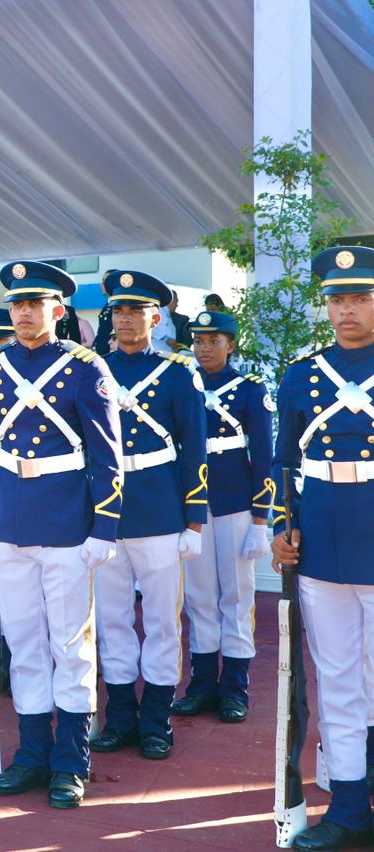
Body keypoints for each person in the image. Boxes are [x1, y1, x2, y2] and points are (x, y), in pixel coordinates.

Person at [0, 261, 122, 809]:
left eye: (36, 304)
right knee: (24, 642)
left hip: (66, 523)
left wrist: (104, 525)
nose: (25, 313)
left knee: (70, 646)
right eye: (17, 305)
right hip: (9, 521)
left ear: (58, 310)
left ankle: (70, 762)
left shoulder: (85, 367)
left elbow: (107, 453)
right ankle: (32, 756)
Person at [270, 246, 374, 850]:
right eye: (337, 299)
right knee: (336, 679)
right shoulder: (301, 374)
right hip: (323, 545)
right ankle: (350, 810)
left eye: (359, 297)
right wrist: (283, 528)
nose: (346, 311)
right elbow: (285, 464)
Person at [92, 271, 207, 762]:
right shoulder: (91, 369)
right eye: (118, 311)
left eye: (135, 311)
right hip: (105, 514)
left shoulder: (179, 373)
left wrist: (194, 516)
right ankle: (119, 716)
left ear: (155, 318)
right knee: (112, 619)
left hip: (160, 508)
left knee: (162, 620)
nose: (124, 319)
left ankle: (156, 718)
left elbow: (194, 446)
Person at [173, 310, 272, 723]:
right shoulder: (182, 385)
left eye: (214, 340)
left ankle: (234, 686)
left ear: (231, 344)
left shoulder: (250, 390)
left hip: (234, 499)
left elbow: (264, 454)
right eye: (198, 340)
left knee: (236, 595)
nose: (204, 348)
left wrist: (261, 519)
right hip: (193, 506)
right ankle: (201, 683)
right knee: (197, 598)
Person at [93, 269, 118, 355]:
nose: (101, 285)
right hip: (103, 352)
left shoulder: (119, 305)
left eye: (104, 282)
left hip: (112, 352)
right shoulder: (109, 303)